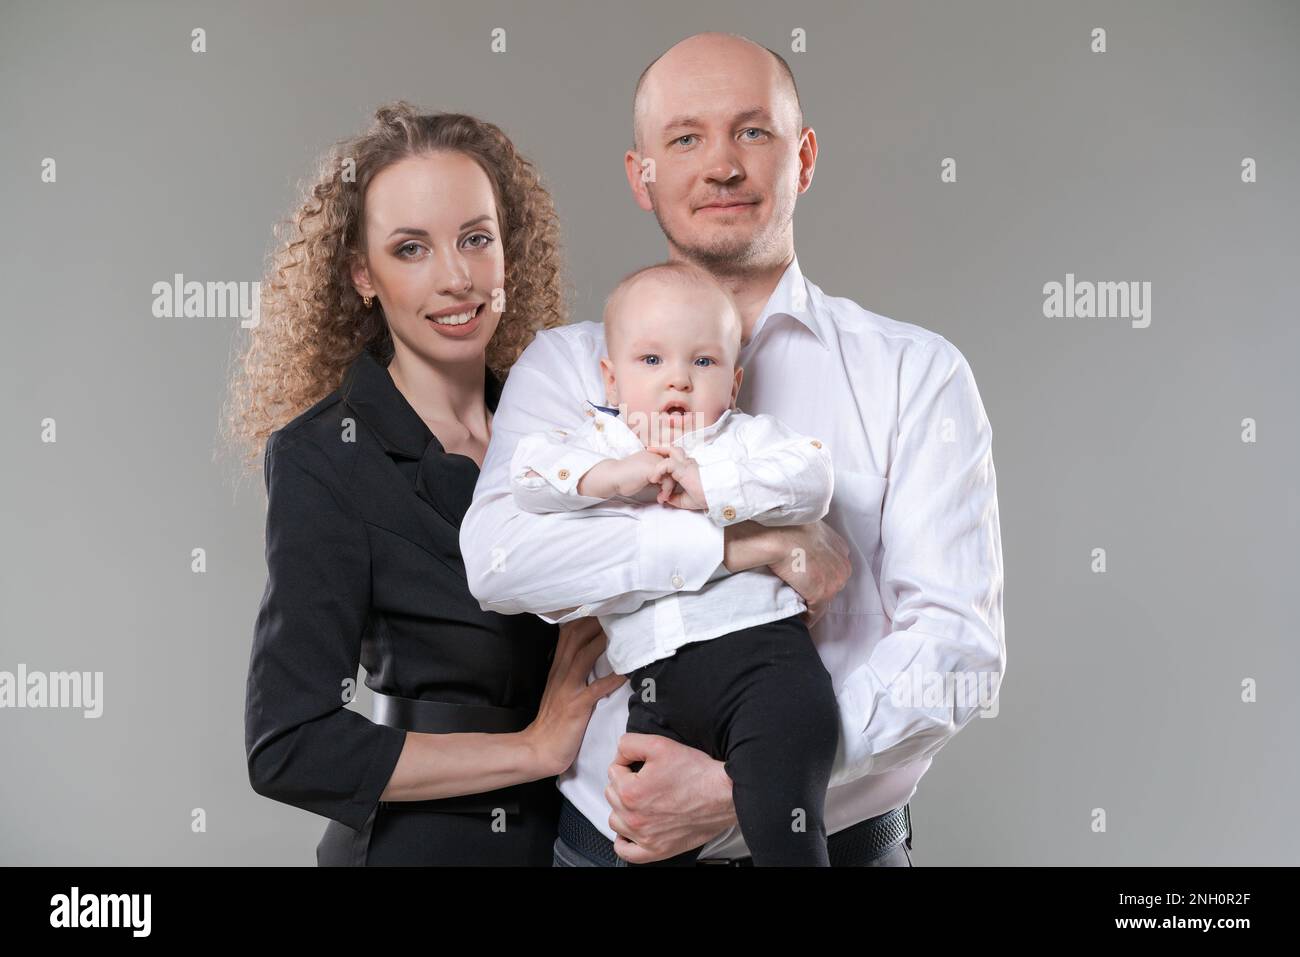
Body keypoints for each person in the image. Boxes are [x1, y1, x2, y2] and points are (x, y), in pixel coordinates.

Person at [460, 33, 1006, 867]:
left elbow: (958, 650)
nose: (721, 165)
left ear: (805, 157)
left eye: (752, 131)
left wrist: (757, 777)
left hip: (843, 842)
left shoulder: (914, 374)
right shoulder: (569, 368)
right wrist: (736, 544)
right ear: (642, 175)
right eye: (685, 138)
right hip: (612, 848)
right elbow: (500, 559)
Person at [226, 102, 626, 866]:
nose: (456, 277)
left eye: (476, 238)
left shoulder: (571, 429)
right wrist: (533, 749)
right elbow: (290, 743)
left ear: (510, 252)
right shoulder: (324, 458)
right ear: (361, 275)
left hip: (588, 837)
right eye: (411, 248)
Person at [510, 261, 840, 865]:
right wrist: (609, 478)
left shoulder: (741, 441)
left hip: (766, 665)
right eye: (652, 361)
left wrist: (713, 486)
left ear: (734, 385)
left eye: (704, 362)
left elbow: (813, 477)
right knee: (642, 832)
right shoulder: (599, 444)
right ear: (611, 380)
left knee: (786, 818)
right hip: (658, 689)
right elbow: (527, 476)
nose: (679, 382)